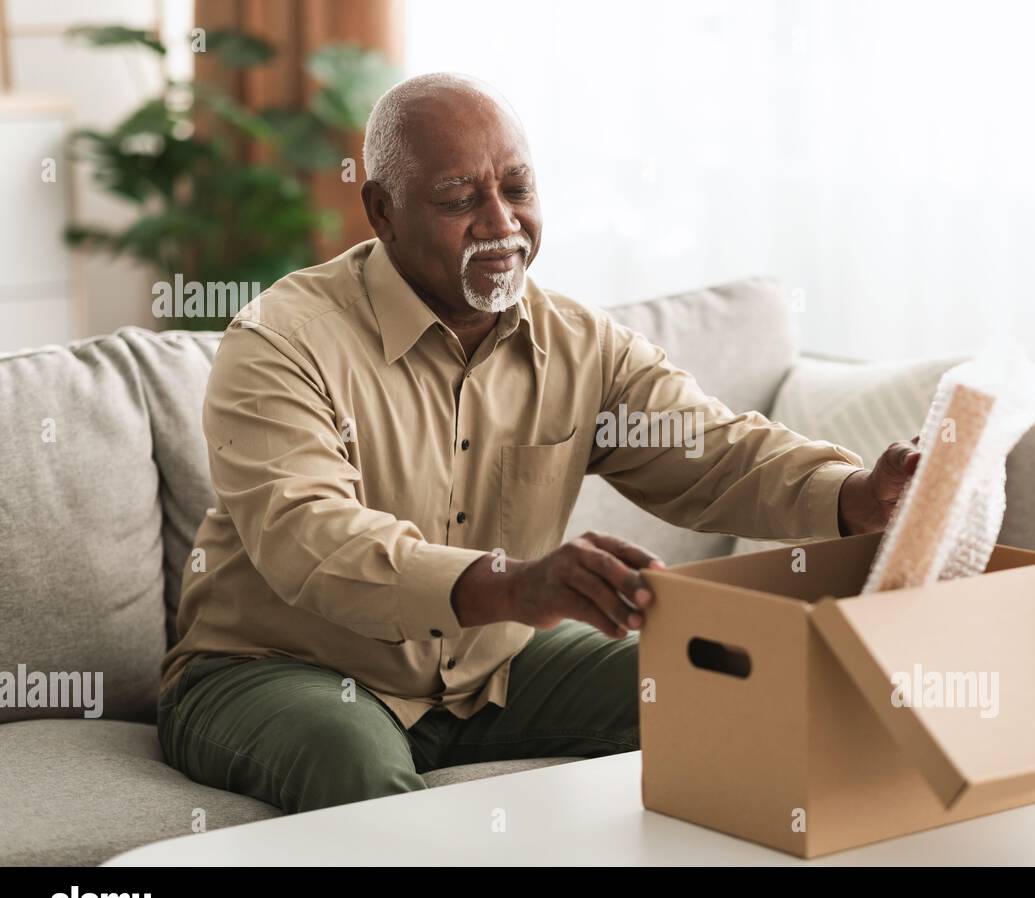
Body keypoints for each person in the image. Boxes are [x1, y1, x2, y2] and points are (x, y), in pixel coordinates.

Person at [157, 73, 921, 813]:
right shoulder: (282, 341)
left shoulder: (581, 344)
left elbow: (714, 452)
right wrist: (516, 586)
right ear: (383, 211)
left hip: (491, 665)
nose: (501, 223)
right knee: (349, 758)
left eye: (517, 189)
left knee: (729, 687)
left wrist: (855, 495)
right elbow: (310, 540)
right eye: (459, 198)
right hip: (279, 669)